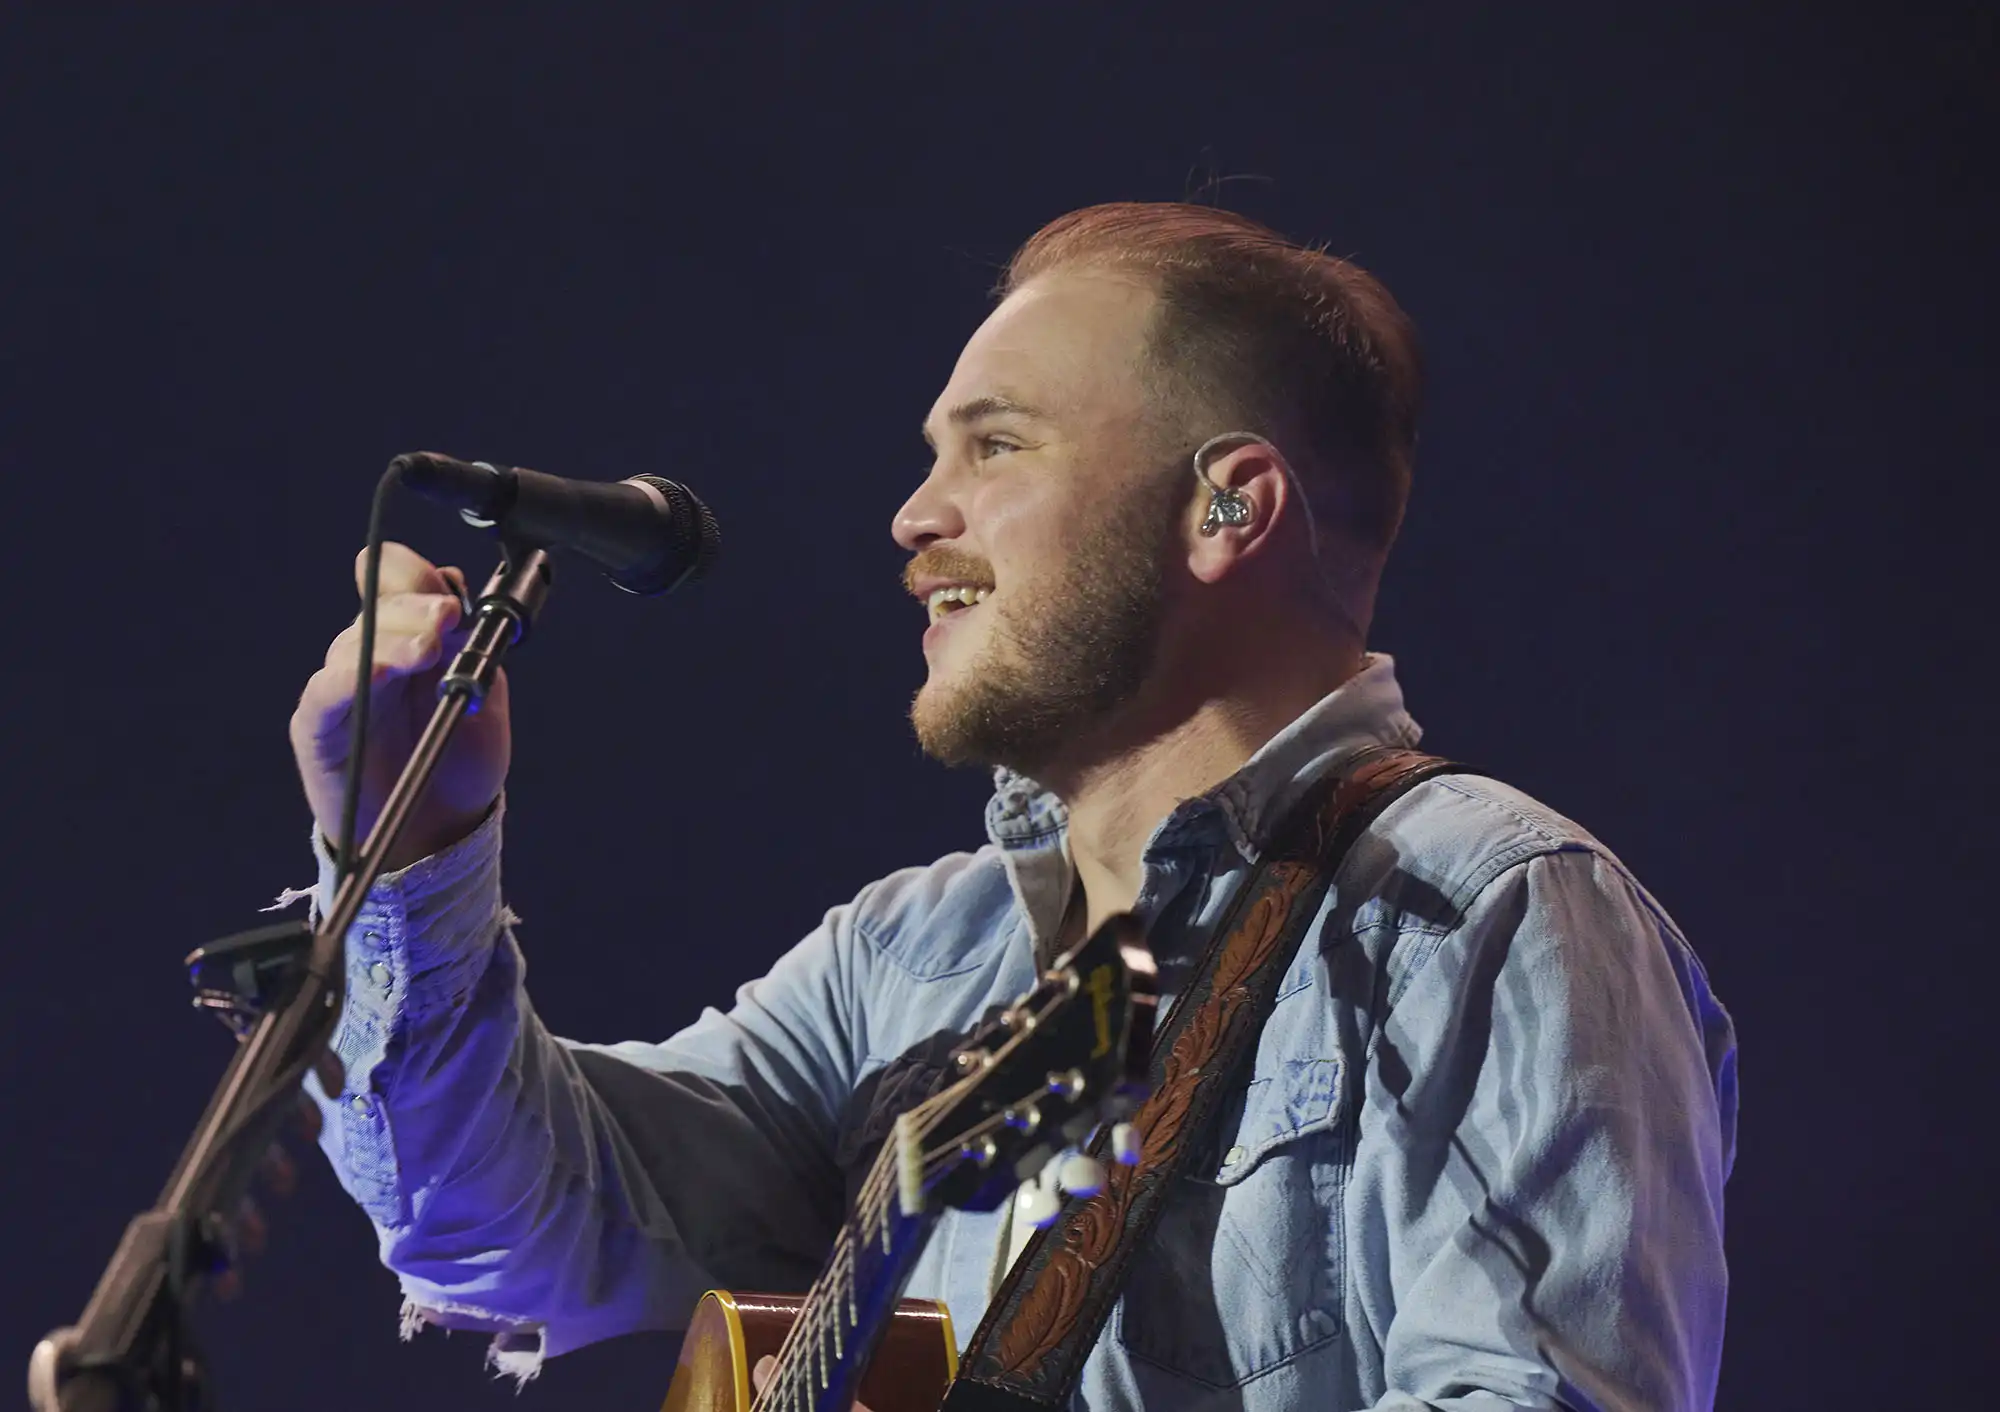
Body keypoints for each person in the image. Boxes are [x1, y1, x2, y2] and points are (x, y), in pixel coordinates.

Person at [289, 203, 1737, 1410]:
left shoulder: (1479, 908)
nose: (917, 517)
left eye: (996, 445)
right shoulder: (913, 957)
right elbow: (506, 1229)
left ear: (1228, 507)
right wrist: (418, 847)